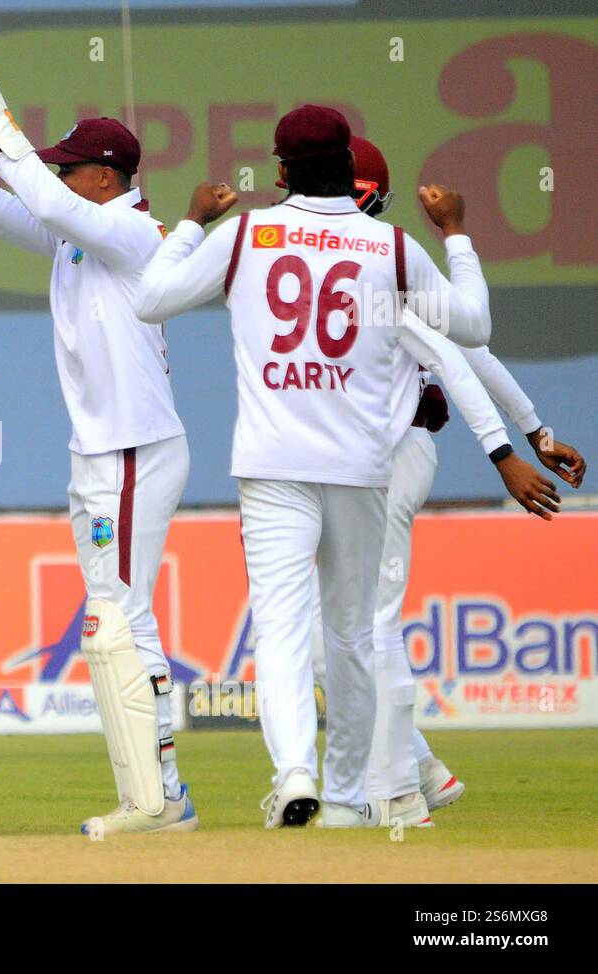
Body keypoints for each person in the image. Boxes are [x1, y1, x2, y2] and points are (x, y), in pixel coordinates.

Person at [135, 104, 498, 829]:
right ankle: (343, 798)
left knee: (279, 626)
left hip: (273, 466)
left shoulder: (246, 234)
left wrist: (189, 223)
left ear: (279, 171)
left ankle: (293, 769)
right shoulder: (392, 248)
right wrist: (456, 235)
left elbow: (150, 299)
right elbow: (475, 325)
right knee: (353, 635)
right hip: (361, 468)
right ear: (346, 166)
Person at [0, 43, 205, 835]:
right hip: (103, 455)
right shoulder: (78, 231)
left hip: (133, 450)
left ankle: (156, 802)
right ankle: (161, 797)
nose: (56, 176)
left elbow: (47, 204)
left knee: (116, 622)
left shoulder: (132, 234)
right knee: (123, 621)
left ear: (104, 177)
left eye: (70, 167)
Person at [307, 137, 587, 823]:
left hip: (389, 460)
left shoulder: (370, 259)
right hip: (362, 463)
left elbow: (459, 360)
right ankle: (424, 769)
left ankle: (398, 794)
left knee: (366, 626)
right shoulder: (369, 254)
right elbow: (475, 347)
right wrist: (537, 430)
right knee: (329, 639)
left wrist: (506, 451)